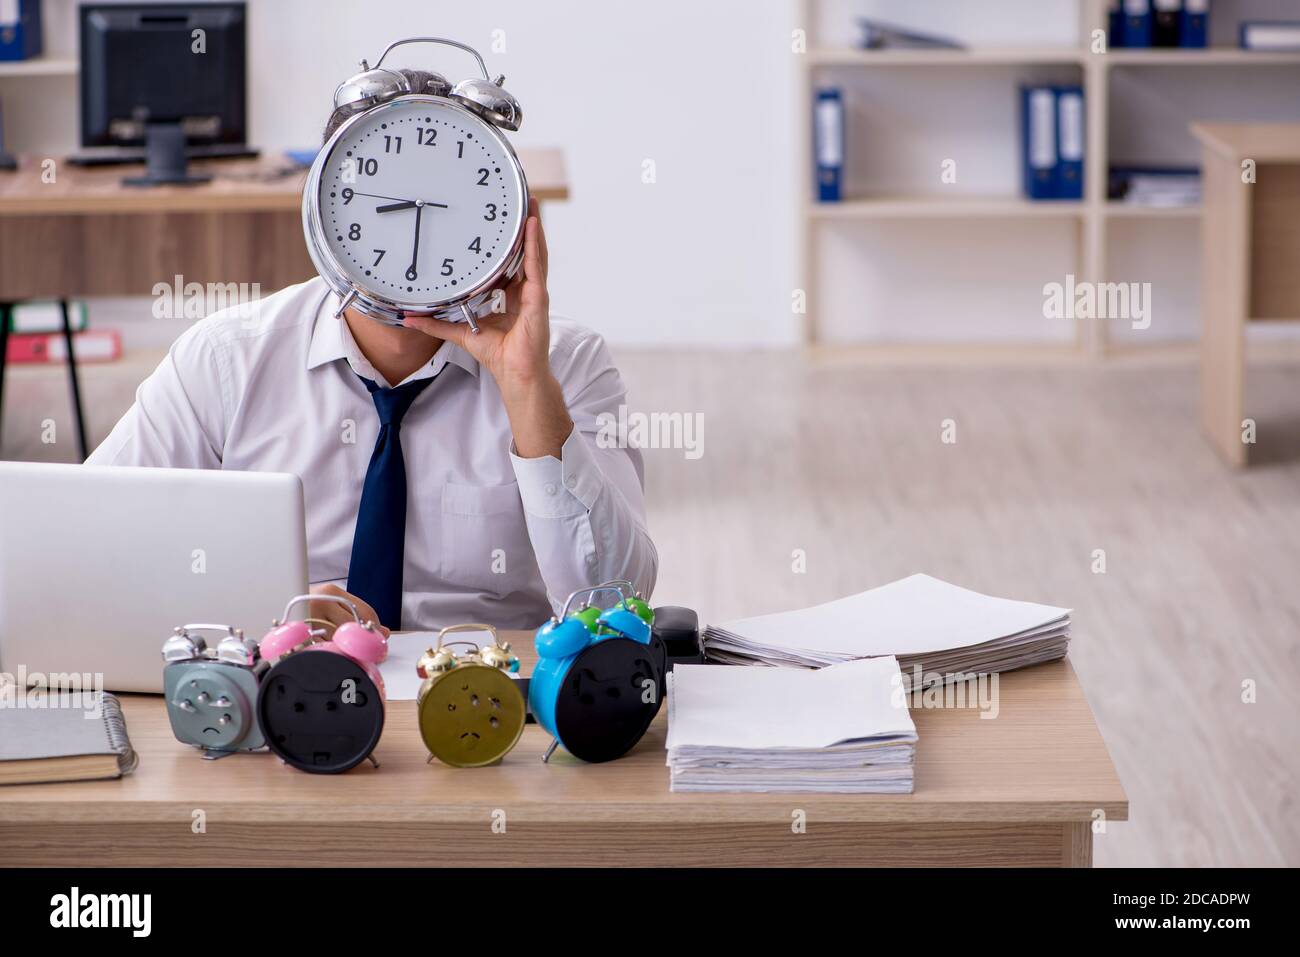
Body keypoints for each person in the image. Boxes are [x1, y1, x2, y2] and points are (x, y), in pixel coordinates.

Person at [87, 69, 657, 634]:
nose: (418, 211)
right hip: (290, 681)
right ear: (326, 208)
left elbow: (614, 605)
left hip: (485, 692)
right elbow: (92, 546)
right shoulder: (224, 361)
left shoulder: (567, 364)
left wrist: (527, 387)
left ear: (513, 220)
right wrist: (268, 612)